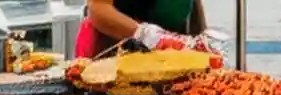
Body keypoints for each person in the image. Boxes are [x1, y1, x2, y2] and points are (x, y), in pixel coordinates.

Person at [75, 0, 210, 58]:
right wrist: (147, 35)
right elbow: (98, 8)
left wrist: (202, 40)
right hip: (113, 52)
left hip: (172, 53)